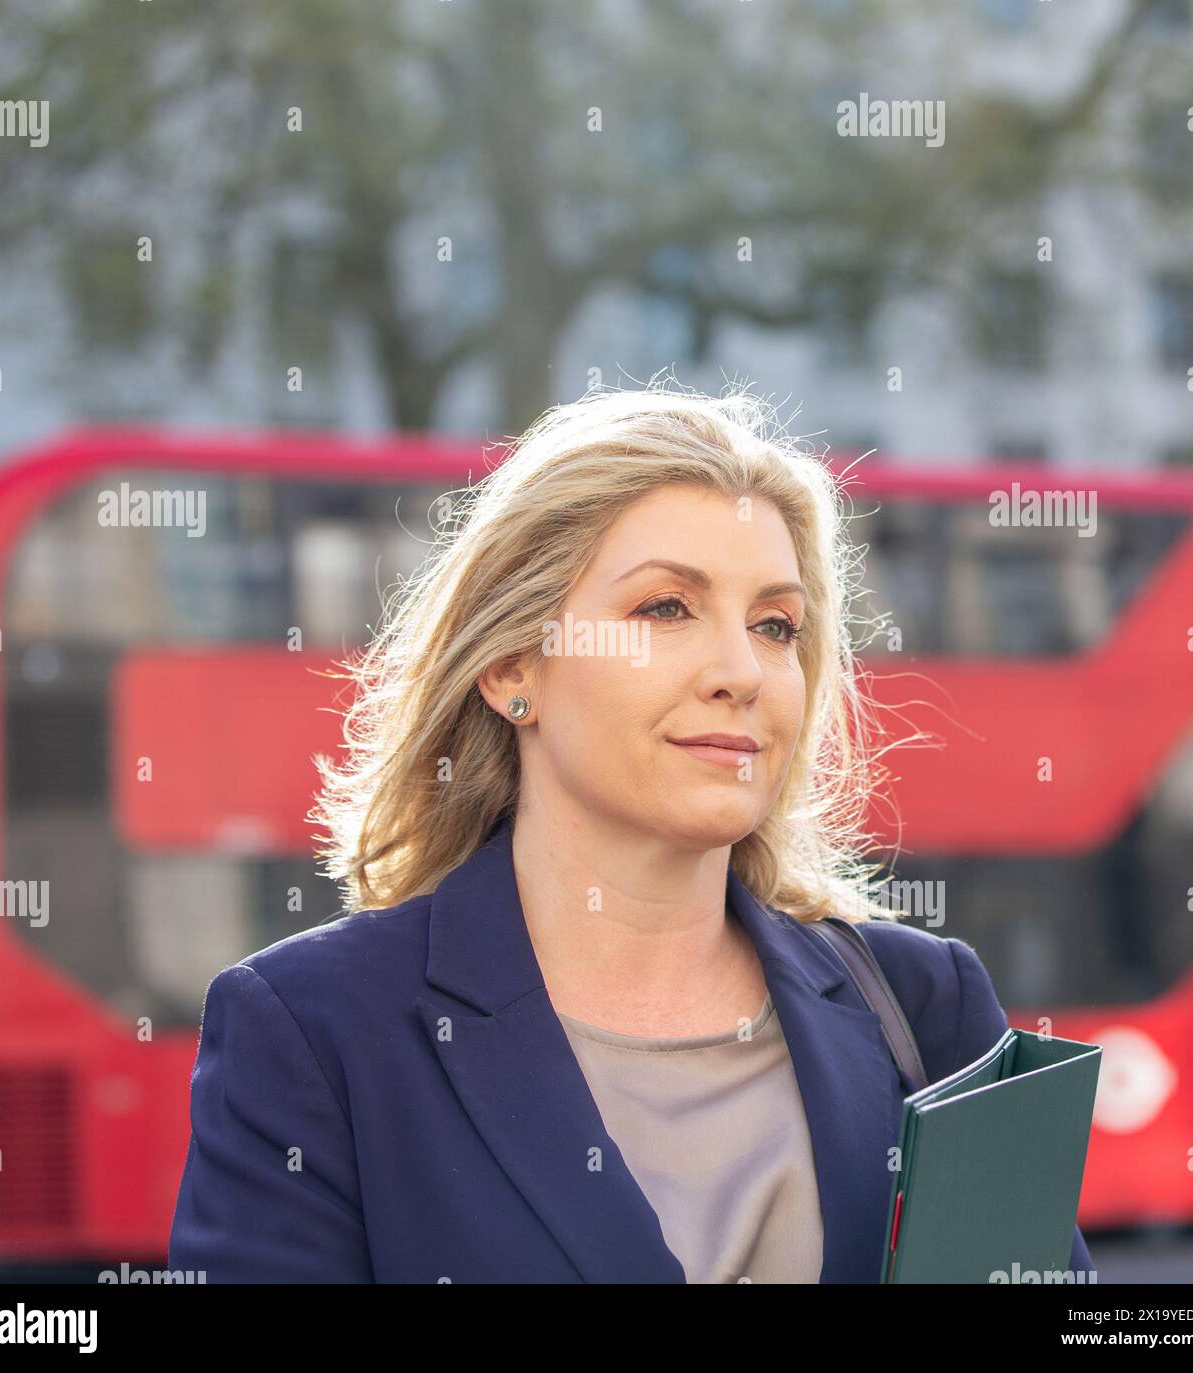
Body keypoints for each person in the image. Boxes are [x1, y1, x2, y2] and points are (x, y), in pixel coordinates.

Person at [168, 383, 1095, 1283]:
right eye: (665, 607)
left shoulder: (926, 1004)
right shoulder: (313, 1030)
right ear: (512, 664)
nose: (741, 671)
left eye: (776, 625)